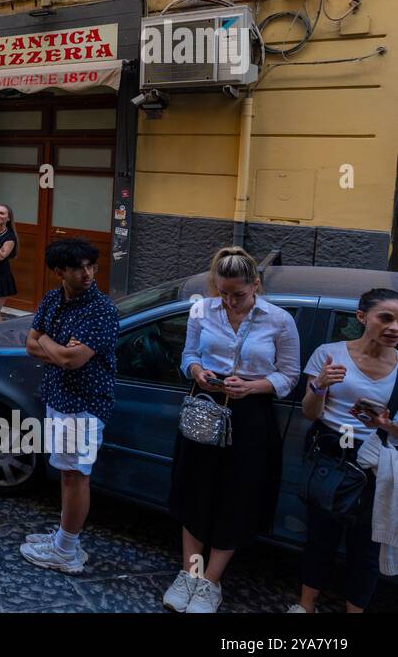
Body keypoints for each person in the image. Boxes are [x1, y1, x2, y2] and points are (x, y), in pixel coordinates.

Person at [162, 246, 300, 612]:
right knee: (195, 488)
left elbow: (289, 376)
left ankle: (211, 582)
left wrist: (252, 387)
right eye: (222, 293)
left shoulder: (279, 320)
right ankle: (190, 573)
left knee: (237, 495)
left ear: (255, 285)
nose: (230, 301)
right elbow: (188, 355)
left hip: (250, 413)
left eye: (238, 294)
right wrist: (196, 372)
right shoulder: (201, 310)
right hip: (205, 406)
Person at [289, 288, 398, 614]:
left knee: (366, 548)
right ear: (362, 317)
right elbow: (310, 413)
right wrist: (320, 385)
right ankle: (305, 605)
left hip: (379, 465)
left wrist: (386, 424)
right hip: (332, 457)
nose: (394, 327)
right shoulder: (330, 354)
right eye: (386, 317)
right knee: (320, 537)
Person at [20, 238, 122, 576]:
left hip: (83, 404)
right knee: (66, 473)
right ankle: (66, 539)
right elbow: (29, 344)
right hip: (59, 399)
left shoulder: (101, 310)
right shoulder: (53, 299)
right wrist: (55, 348)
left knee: (76, 476)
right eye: (79, 267)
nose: (88, 273)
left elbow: (70, 359)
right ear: (59, 271)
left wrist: (50, 344)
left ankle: (66, 550)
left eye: (92, 266)